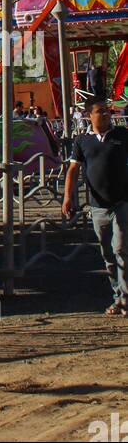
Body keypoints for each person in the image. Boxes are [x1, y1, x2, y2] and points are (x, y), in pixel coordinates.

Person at [63, 98, 128, 316]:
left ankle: (125, 300)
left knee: (121, 250)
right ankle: (117, 297)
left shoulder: (122, 136)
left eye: (108, 111)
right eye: (101, 111)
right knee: (108, 254)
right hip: (98, 206)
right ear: (89, 115)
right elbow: (73, 170)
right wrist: (67, 198)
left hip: (122, 202)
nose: (106, 114)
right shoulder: (82, 141)